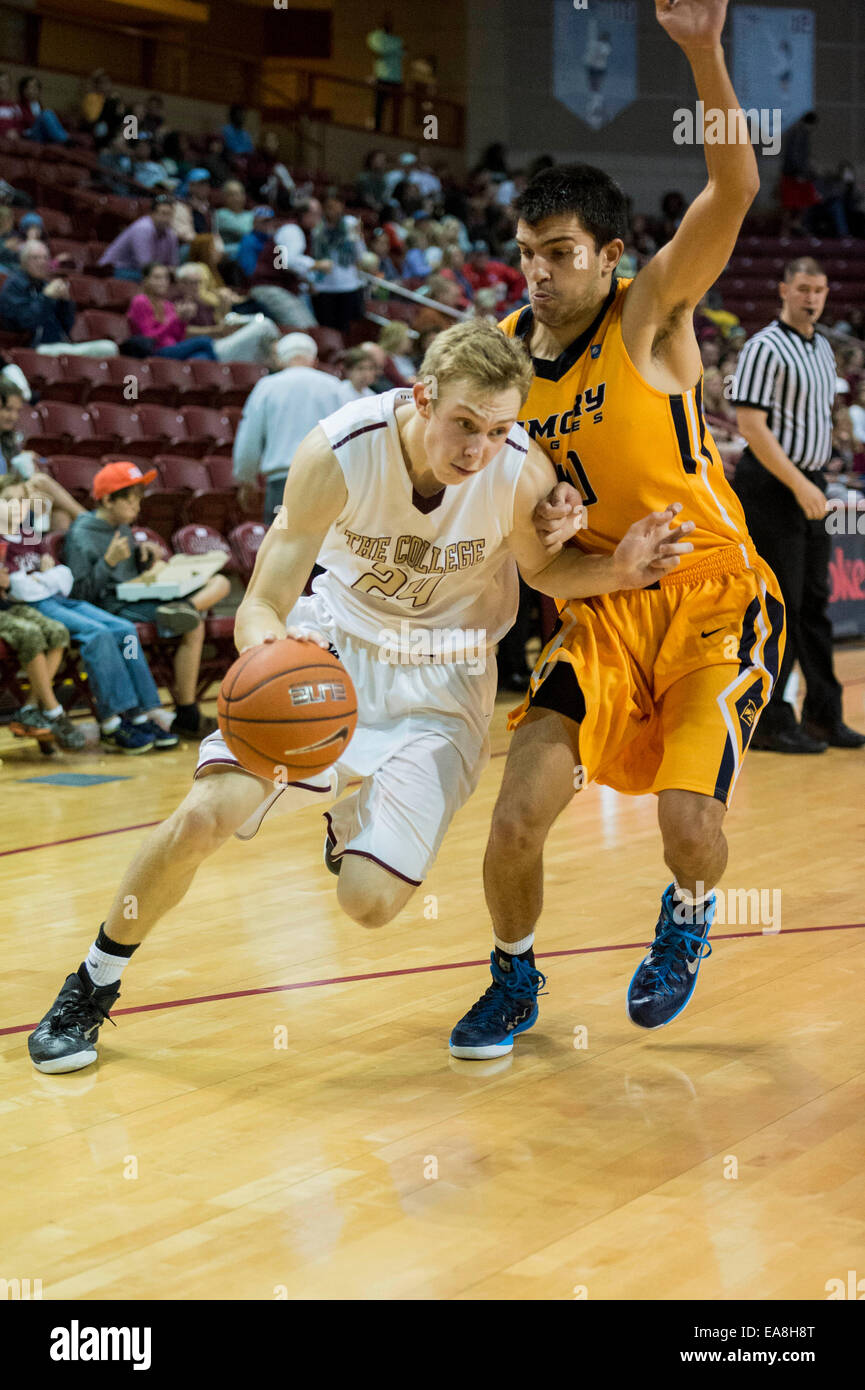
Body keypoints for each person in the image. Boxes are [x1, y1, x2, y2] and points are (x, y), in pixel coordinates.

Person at [25, 317, 692, 1072]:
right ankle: (91, 982)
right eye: (463, 424)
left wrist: (619, 571)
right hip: (333, 651)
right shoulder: (338, 451)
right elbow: (261, 601)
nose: (476, 449)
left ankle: (346, 813)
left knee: (368, 903)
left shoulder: (516, 469)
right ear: (421, 396)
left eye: (498, 428)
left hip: (445, 679)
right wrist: (271, 661)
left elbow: (545, 574)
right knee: (202, 819)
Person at [447, 0, 789, 1059]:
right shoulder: (502, 357)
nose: (537, 273)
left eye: (558, 253)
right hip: (598, 603)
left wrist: (700, 51)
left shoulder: (652, 314)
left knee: (689, 829)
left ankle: (688, 917)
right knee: (515, 818)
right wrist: (537, 512)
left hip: (712, 597)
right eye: (524, 253)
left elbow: (734, 188)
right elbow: (502, 503)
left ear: (609, 255)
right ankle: (513, 978)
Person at [731, 257, 865, 753]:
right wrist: (798, 483)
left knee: (814, 602)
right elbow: (751, 425)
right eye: (803, 288)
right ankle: (766, 720)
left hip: (810, 481)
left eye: (820, 289)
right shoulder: (764, 346)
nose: (812, 297)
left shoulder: (824, 348)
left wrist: (818, 478)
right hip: (770, 483)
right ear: (784, 290)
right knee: (778, 605)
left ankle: (824, 717)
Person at [63, 462, 229, 741]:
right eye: (129, 498)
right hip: (112, 607)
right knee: (194, 626)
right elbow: (79, 594)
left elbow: (128, 574)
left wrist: (144, 560)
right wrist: (108, 563)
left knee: (220, 581)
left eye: (139, 497)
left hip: (138, 597)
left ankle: (183, 609)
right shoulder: (81, 534)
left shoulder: (122, 528)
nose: (137, 505)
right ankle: (186, 711)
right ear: (107, 500)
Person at [2, 505, 177, 753]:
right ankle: (112, 723)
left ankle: (141, 713)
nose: (16, 507)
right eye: (8, 500)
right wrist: (46, 577)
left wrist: (44, 578)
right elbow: (18, 588)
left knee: (126, 630)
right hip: (33, 606)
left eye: (21, 501)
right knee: (98, 634)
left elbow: (62, 577)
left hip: (57, 597)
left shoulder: (28, 534)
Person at [231, 332, 346, 521]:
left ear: (280, 360)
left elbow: (249, 438)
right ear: (314, 360)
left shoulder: (267, 386)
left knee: (281, 546)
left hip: (282, 485)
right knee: (324, 547)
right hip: (327, 482)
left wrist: (246, 480)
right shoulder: (335, 387)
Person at [0, 241, 119, 357]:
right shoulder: (14, 286)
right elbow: (26, 322)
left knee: (109, 347)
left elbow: (67, 327)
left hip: (62, 345)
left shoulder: (46, 285)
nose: (42, 262)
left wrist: (65, 302)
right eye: (35, 258)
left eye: (45, 258)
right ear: (24, 261)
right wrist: (46, 298)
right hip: (35, 348)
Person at [0, 380, 84, 531]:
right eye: (7, 409)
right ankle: (89, 522)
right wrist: (22, 485)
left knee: (60, 515)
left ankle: (47, 554)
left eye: (17, 411)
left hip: (9, 498)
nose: (13, 417)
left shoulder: (9, 442)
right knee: (41, 481)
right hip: (4, 500)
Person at [174, 262, 278, 363]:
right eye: (191, 282)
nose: (197, 286)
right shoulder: (176, 303)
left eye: (199, 282)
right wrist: (215, 330)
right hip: (207, 347)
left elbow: (222, 324)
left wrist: (224, 307)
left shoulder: (206, 302)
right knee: (265, 325)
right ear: (180, 283)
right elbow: (182, 331)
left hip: (218, 343)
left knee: (260, 348)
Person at [126, 262, 218, 360]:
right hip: (154, 350)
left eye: (166, 278)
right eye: (157, 278)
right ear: (145, 280)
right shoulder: (140, 301)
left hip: (173, 349)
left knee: (202, 357)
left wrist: (183, 321)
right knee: (205, 341)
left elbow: (178, 338)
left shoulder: (168, 305)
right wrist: (176, 319)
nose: (163, 282)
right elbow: (149, 337)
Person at [308, 193, 366, 334]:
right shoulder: (317, 226)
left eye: (335, 206)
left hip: (348, 285)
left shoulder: (350, 224)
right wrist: (311, 282)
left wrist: (358, 237)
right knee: (327, 330)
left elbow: (360, 255)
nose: (332, 210)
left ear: (342, 206)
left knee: (347, 329)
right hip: (324, 286)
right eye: (328, 207)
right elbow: (311, 256)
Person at [99, 196, 180, 280]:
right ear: (152, 214)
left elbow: (174, 266)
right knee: (155, 280)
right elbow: (146, 267)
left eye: (170, 214)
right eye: (163, 214)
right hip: (117, 270)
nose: (167, 219)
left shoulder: (171, 234)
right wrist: (167, 271)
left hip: (145, 272)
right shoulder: (143, 228)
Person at [367, 15, 404, 134]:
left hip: (396, 79)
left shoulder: (395, 39)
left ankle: (396, 132)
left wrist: (392, 50)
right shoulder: (375, 37)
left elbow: (403, 50)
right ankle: (377, 130)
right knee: (379, 107)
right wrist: (395, 49)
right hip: (382, 77)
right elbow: (381, 49)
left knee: (396, 110)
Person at [18, 76, 69, 145]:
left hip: (42, 133)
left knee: (49, 113)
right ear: (23, 90)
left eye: (35, 88)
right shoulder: (18, 106)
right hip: (30, 134)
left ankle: (64, 138)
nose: (32, 91)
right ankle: (65, 140)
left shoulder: (39, 105)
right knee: (46, 114)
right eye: (28, 88)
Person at [214, 181, 254, 259]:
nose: (237, 198)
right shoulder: (220, 214)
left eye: (240, 193)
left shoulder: (250, 214)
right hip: (229, 252)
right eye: (232, 195)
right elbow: (244, 231)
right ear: (224, 197)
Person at [173, 170, 213, 241]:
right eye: (201, 184)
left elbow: (214, 233)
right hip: (189, 246)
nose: (205, 187)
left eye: (207, 183)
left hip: (207, 245)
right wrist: (203, 243)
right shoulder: (180, 206)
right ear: (190, 186)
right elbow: (183, 233)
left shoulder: (209, 207)